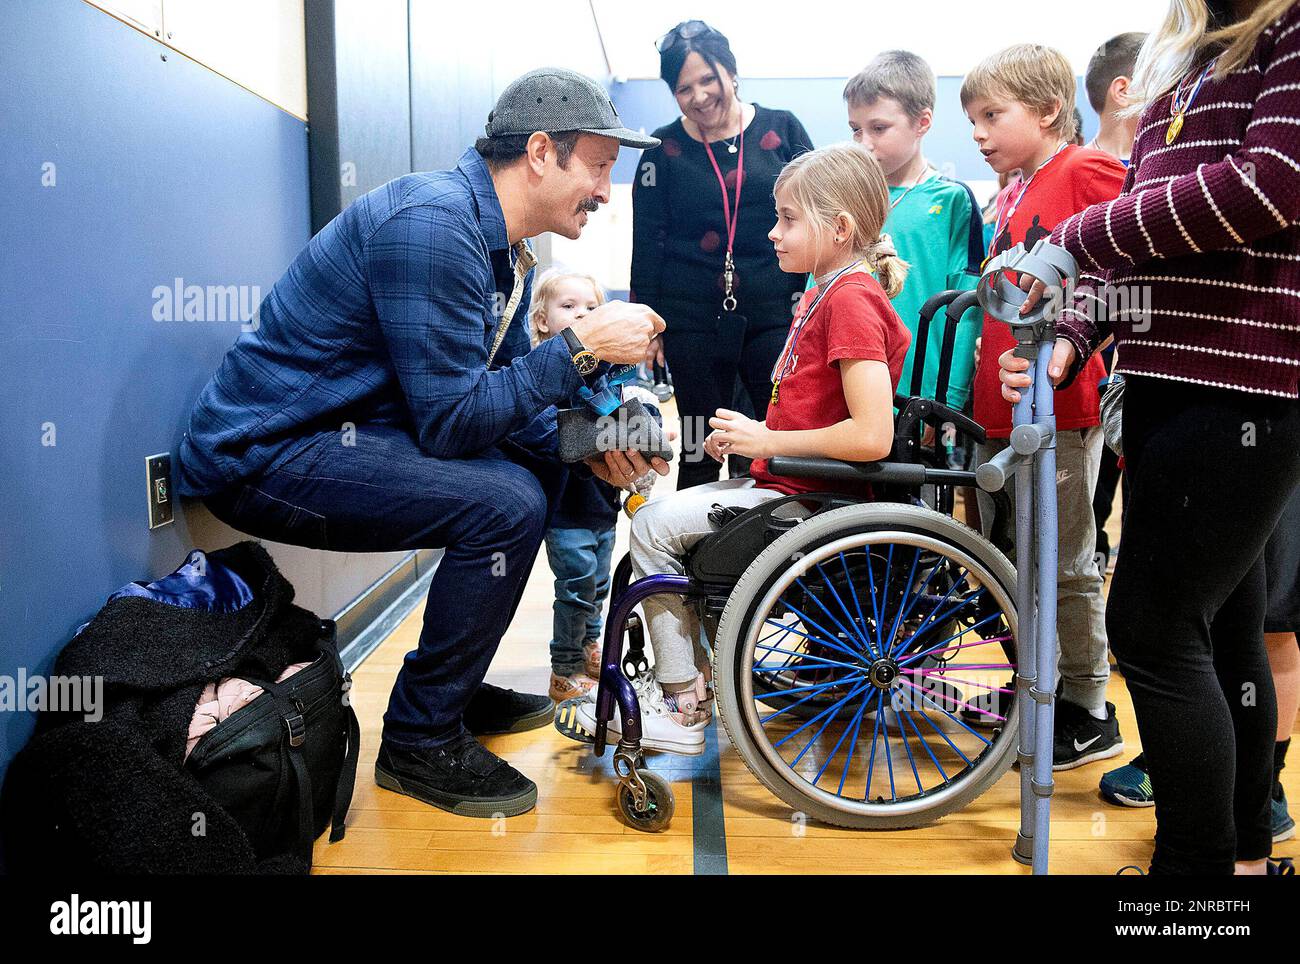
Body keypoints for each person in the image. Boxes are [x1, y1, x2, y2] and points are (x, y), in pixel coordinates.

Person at [175, 68, 670, 819]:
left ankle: (453, 690)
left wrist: (589, 445)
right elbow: (451, 423)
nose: (605, 190)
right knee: (506, 502)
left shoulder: (496, 244)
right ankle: (418, 739)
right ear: (541, 152)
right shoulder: (435, 225)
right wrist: (580, 350)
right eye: (598, 167)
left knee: (537, 472)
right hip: (262, 453)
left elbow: (499, 403)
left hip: (342, 433)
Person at [999, 0, 1300, 874]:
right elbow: (1147, 241)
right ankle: (1240, 862)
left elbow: (1270, 184)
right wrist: (1074, 334)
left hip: (1241, 381)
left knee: (1156, 629)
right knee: (1222, 633)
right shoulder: (1197, 58)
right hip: (1175, 379)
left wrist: (1075, 233)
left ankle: (1194, 888)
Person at [572, 143, 912, 753]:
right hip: (793, 486)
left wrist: (766, 438)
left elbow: (872, 434)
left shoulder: (853, 300)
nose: (773, 234)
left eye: (788, 219)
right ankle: (701, 681)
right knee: (659, 514)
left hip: (812, 500)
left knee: (650, 527)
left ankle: (681, 704)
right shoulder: (823, 292)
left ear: (840, 229)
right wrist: (749, 436)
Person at [961, 44, 1127, 769]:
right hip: (1005, 407)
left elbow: (1125, 257)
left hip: (1063, 403)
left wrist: (1073, 350)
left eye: (993, 116)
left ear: (1050, 110)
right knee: (1014, 560)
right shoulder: (1014, 190)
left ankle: (1090, 709)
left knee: (1064, 561)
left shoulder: (1084, 169)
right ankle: (1040, 686)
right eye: (973, 120)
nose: (979, 133)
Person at [631, 20, 815, 489]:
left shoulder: (783, 129)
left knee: (771, 438)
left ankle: (770, 551)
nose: (698, 96)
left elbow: (821, 209)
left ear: (731, 72)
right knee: (697, 442)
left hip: (776, 311)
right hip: (689, 317)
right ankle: (698, 552)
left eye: (707, 79)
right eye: (683, 88)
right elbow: (648, 239)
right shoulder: (661, 149)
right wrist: (647, 322)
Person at [528, 270, 662, 702]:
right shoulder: (545, 374)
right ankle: (563, 668)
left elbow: (627, 416)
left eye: (591, 308)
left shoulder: (605, 375)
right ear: (542, 320)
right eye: (569, 307)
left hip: (602, 505)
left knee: (599, 585)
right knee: (575, 586)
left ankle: (588, 645)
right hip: (565, 510)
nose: (582, 314)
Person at [844, 51, 985, 421]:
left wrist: (948, 402)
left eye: (878, 128)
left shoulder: (953, 201)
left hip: (918, 397)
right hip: (844, 393)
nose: (863, 143)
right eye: (855, 129)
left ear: (922, 122)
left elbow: (965, 306)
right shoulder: (841, 198)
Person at [1083, 32, 1147, 574]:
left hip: (1130, 370)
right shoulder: (1088, 172)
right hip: (1087, 373)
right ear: (1125, 90)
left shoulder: (1149, 173)